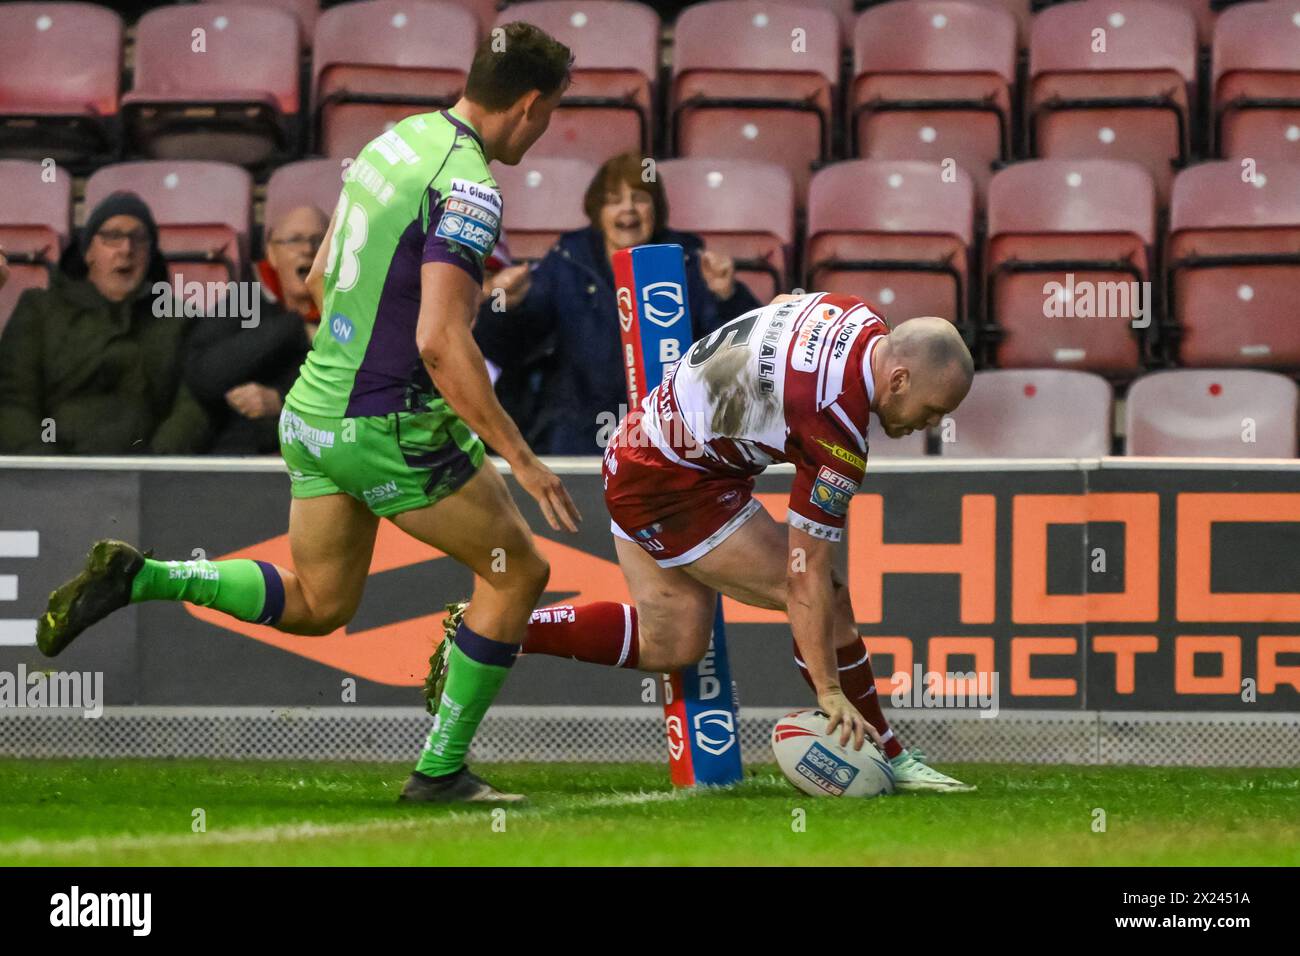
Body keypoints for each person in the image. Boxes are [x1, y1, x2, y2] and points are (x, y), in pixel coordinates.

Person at [33, 23, 579, 803]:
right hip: (386, 424)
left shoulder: (396, 143)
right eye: (552, 111)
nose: (547, 126)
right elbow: (439, 341)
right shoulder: (469, 187)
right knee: (518, 569)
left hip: (314, 411)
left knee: (321, 602)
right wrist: (521, 459)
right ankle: (440, 772)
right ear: (528, 104)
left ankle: (143, 577)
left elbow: (318, 281)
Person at [431, 292, 979, 792]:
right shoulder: (836, 424)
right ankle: (890, 752)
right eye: (932, 411)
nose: (929, 424)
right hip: (671, 488)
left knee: (671, 643)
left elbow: (785, 301)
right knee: (826, 600)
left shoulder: (856, 315)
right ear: (900, 379)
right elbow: (803, 572)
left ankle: (492, 631)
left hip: (644, 446)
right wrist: (830, 692)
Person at [474, 152, 760, 454]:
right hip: (578, 437)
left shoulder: (689, 262)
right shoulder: (566, 263)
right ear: (597, 212)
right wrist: (506, 308)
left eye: (640, 198)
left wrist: (728, 296)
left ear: (657, 209)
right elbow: (506, 350)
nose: (628, 209)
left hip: (674, 438)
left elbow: (742, 357)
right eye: (613, 200)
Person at [0, 192, 211, 455]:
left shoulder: (181, 320)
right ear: (88, 251)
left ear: (150, 254)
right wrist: (46, 469)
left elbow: (193, 406)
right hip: (49, 478)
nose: (126, 249)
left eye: (138, 238)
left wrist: (154, 465)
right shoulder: (39, 310)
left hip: (148, 479)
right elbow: (12, 401)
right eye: (112, 237)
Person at [185, 205, 326, 454]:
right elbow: (203, 375)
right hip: (240, 459)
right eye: (294, 241)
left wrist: (282, 402)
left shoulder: (355, 308)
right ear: (271, 253)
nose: (308, 250)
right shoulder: (246, 300)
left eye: (320, 240)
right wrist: (294, 329)